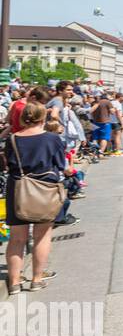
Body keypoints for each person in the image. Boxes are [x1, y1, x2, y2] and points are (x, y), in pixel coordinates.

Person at [5, 101, 68, 294]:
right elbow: (60, 164)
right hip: (45, 189)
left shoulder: (13, 138)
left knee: (16, 239)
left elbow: (8, 164)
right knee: (42, 236)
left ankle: (14, 283)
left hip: (18, 189)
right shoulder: (52, 138)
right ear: (43, 118)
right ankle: (36, 279)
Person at [90, 91, 115, 156]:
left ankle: (94, 152)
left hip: (95, 122)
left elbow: (91, 113)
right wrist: (113, 109)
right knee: (104, 138)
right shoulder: (107, 102)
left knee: (95, 138)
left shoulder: (93, 103)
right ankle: (100, 153)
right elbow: (112, 112)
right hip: (105, 122)